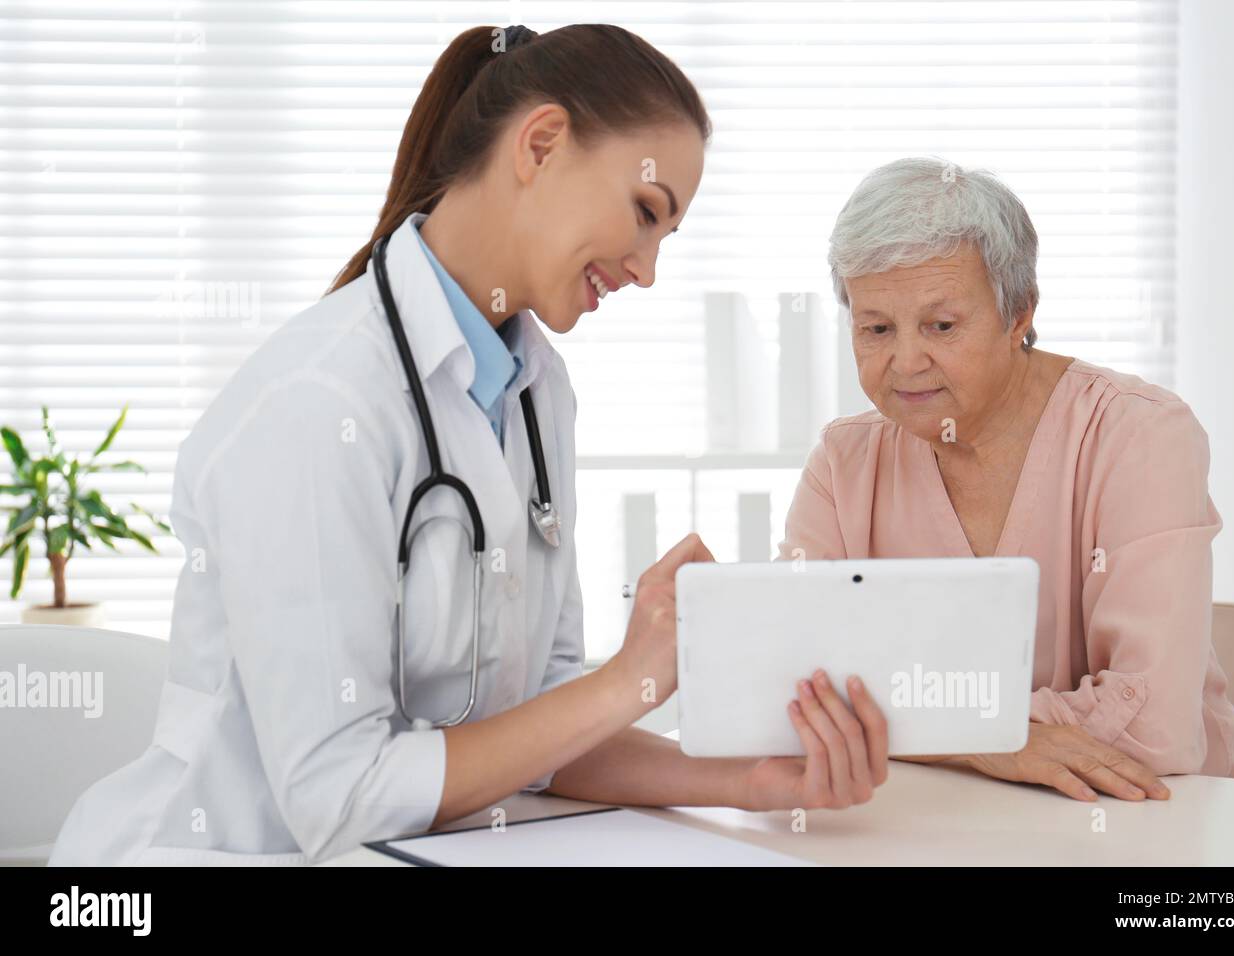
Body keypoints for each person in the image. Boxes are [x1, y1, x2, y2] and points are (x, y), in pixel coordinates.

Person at [50, 24, 887, 866]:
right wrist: (632, 675)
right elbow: (337, 802)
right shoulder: (319, 402)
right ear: (542, 143)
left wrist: (750, 782)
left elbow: (544, 723)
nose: (646, 270)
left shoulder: (536, 389)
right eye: (644, 214)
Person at [779, 156, 1234, 803]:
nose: (905, 362)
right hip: (937, 821)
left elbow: (1154, 730)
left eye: (941, 325)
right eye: (875, 329)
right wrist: (985, 738)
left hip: (1167, 825)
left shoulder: (1140, 434)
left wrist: (913, 722)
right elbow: (795, 692)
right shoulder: (844, 460)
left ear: (1018, 315)